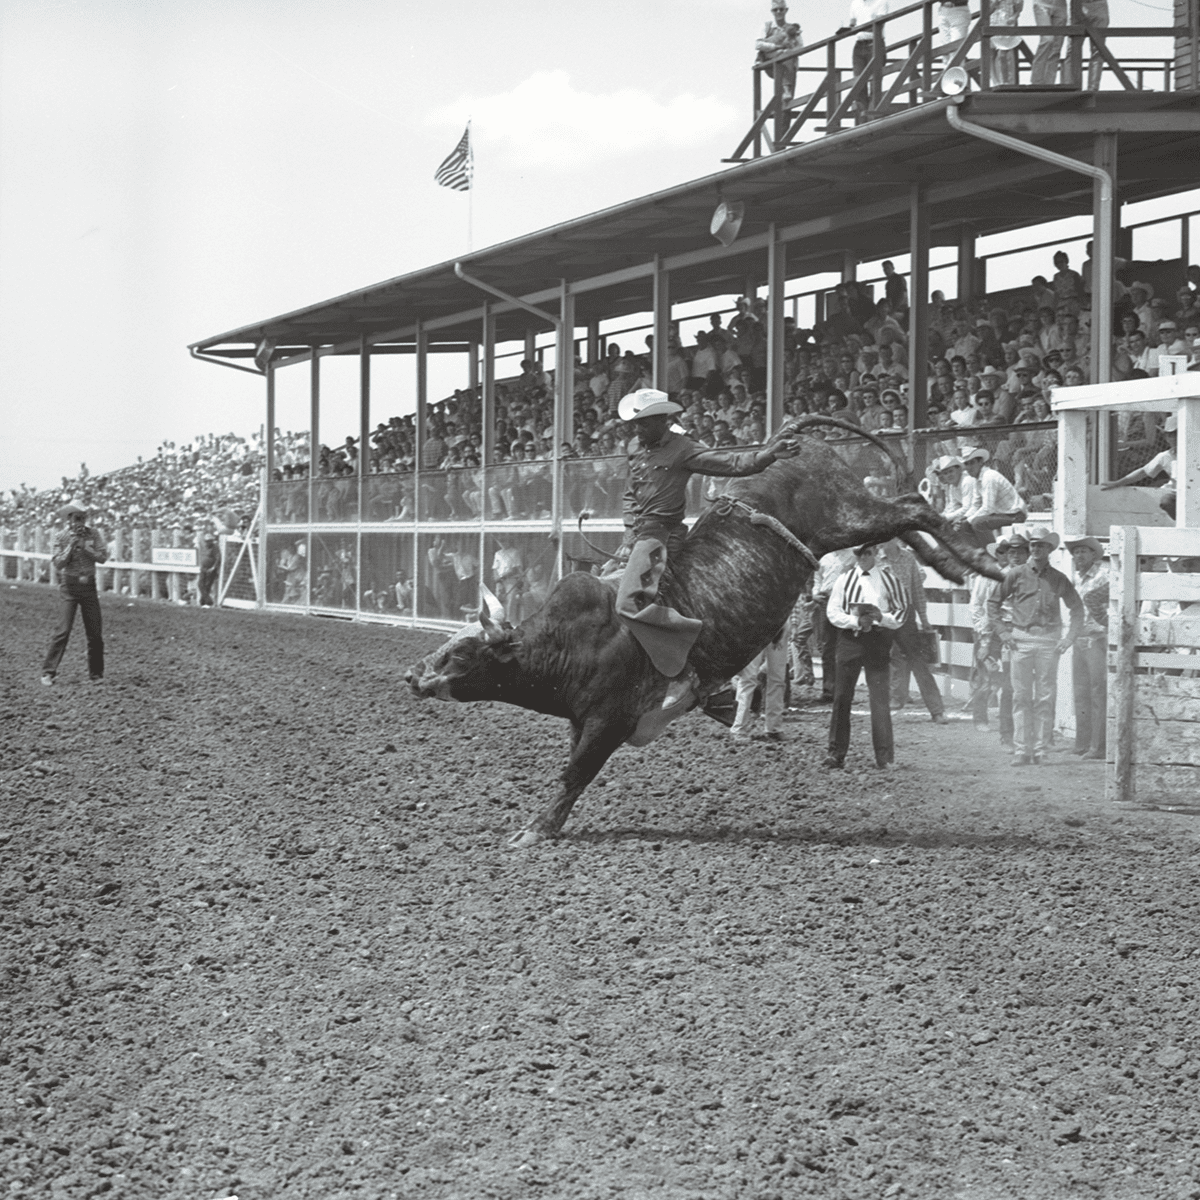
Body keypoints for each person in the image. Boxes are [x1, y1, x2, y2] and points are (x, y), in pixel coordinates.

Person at [612, 388, 800, 709]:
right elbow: (631, 493)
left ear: (662, 421)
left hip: (661, 534)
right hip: (641, 534)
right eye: (635, 424)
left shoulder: (683, 448)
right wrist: (630, 531)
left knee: (628, 605)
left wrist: (768, 455)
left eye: (643, 423)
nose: (637, 430)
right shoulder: (635, 447)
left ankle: (687, 661)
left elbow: (731, 463)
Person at [988, 525, 1084, 766]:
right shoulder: (1016, 574)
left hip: (1049, 641)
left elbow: (1077, 609)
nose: (1036, 549)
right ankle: (1022, 749)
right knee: (1020, 696)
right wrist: (1004, 633)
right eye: (1033, 545)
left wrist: (1069, 638)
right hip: (1020, 639)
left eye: (1041, 545)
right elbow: (992, 604)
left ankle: (1040, 749)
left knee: (1044, 696)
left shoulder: (1059, 578)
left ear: (1050, 549)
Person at [824, 542, 908, 769]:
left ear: (876, 554)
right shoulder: (844, 579)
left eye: (867, 552)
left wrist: (882, 618)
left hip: (878, 641)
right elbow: (832, 611)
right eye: (859, 553)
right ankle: (835, 753)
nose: (862, 556)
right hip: (850, 639)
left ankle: (885, 757)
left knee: (879, 699)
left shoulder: (890, 579)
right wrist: (855, 621)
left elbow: (901, 611)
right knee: (842, 697)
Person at [41, 501, 108, 685]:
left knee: (94, 632)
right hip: (69, 586)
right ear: (69, 519)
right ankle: (48, 672)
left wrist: (86, 547)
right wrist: (71, 546)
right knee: (63, 630)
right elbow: (58, 563)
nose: (80, 521)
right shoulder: (61, 536)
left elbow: (103, 557)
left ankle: (96, 673)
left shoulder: (93, 534)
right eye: (77, 517)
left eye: (83, 517)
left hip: (89, 586)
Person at [881, 539, 948, 723]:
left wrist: (924, 618)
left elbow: (917, 590)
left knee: (918, 661)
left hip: (906, 614)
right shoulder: (876, 559)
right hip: (883, 615)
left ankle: (936, 709)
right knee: (884, 660)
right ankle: (891, 702)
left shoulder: (908, 558)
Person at [1065, 535, 1109, 760]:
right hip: (1079, 639)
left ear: (1094, 554)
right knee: (1080, 692)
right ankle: (1081, 743)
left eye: (1084, 551)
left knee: (1097, 692)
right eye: (1076, 552)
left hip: (1097, 639)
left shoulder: (1104, 575)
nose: (1078, 555)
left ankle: (1098, 746)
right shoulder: (1076, 578)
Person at [1099, 413, 1178, 518]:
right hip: (1179, 494)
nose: (1172, 438)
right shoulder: (1164, 456)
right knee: (1166, 501)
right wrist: (1117, 483)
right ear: (1165, 437)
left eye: (1176, 433)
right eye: (1169, 434)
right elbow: (1143, 472)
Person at [730, 625, 791, 743]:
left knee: (777, 679)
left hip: (780, 623)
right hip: (756, 624)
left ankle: (774, 728)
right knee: (748, 678)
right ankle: (739, 727)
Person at [957, 446, 1026, 546]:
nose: (968, 467)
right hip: (1002, 514)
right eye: (966, 464)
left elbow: (987, 509)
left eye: (972, 463)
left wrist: (968, 520)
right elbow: (975, 505)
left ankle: (992, 554)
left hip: (1015, 515)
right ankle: (978, 554)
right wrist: (964, 518)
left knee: (978, 523)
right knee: (964, 525)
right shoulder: (977, 480)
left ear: (980, 462)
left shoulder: (988, 476)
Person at [756, 2, 803, 104]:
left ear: (786, 10)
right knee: (784, 92)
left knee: (788, 101)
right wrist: (777, 47)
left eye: (781, 9)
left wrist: (787, 51)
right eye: (775, 10)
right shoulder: (767, 26)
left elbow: (800, 47)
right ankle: (786, 92)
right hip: (771, 64)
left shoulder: (792, 29)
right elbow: (758, 45)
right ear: (772, 11)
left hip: (788, 64)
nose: (778, 12)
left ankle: (786, 98)